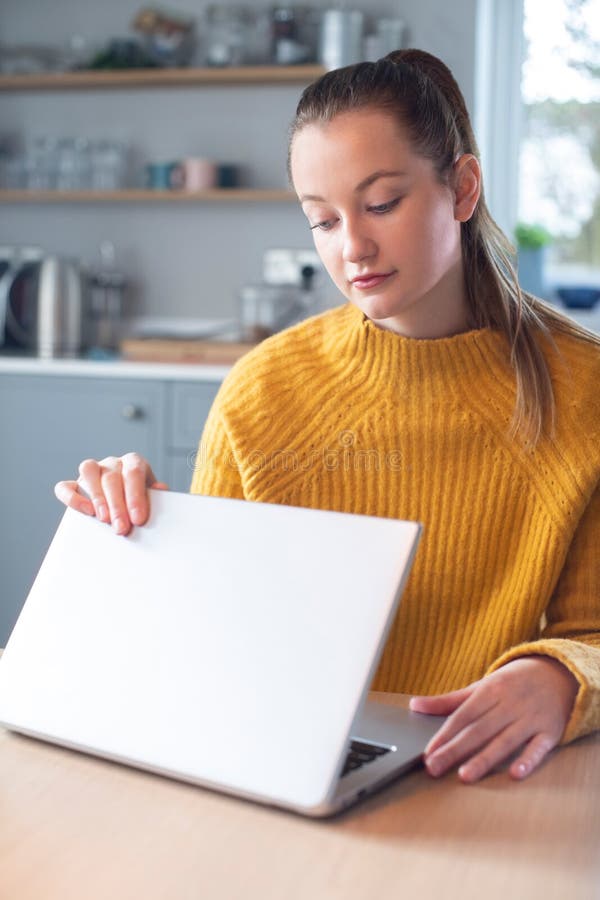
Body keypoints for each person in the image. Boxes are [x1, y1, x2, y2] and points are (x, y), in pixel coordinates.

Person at [55, 49, 600, 784]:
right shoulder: (263, 389)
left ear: (463, 188)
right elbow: (208, 640)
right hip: (285, 769)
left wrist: (561, 675)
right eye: (322, 220)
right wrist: (144, 539)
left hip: (487, 780)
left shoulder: (584, 385)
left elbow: (591, 631)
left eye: (381, 204)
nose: (354, 248)